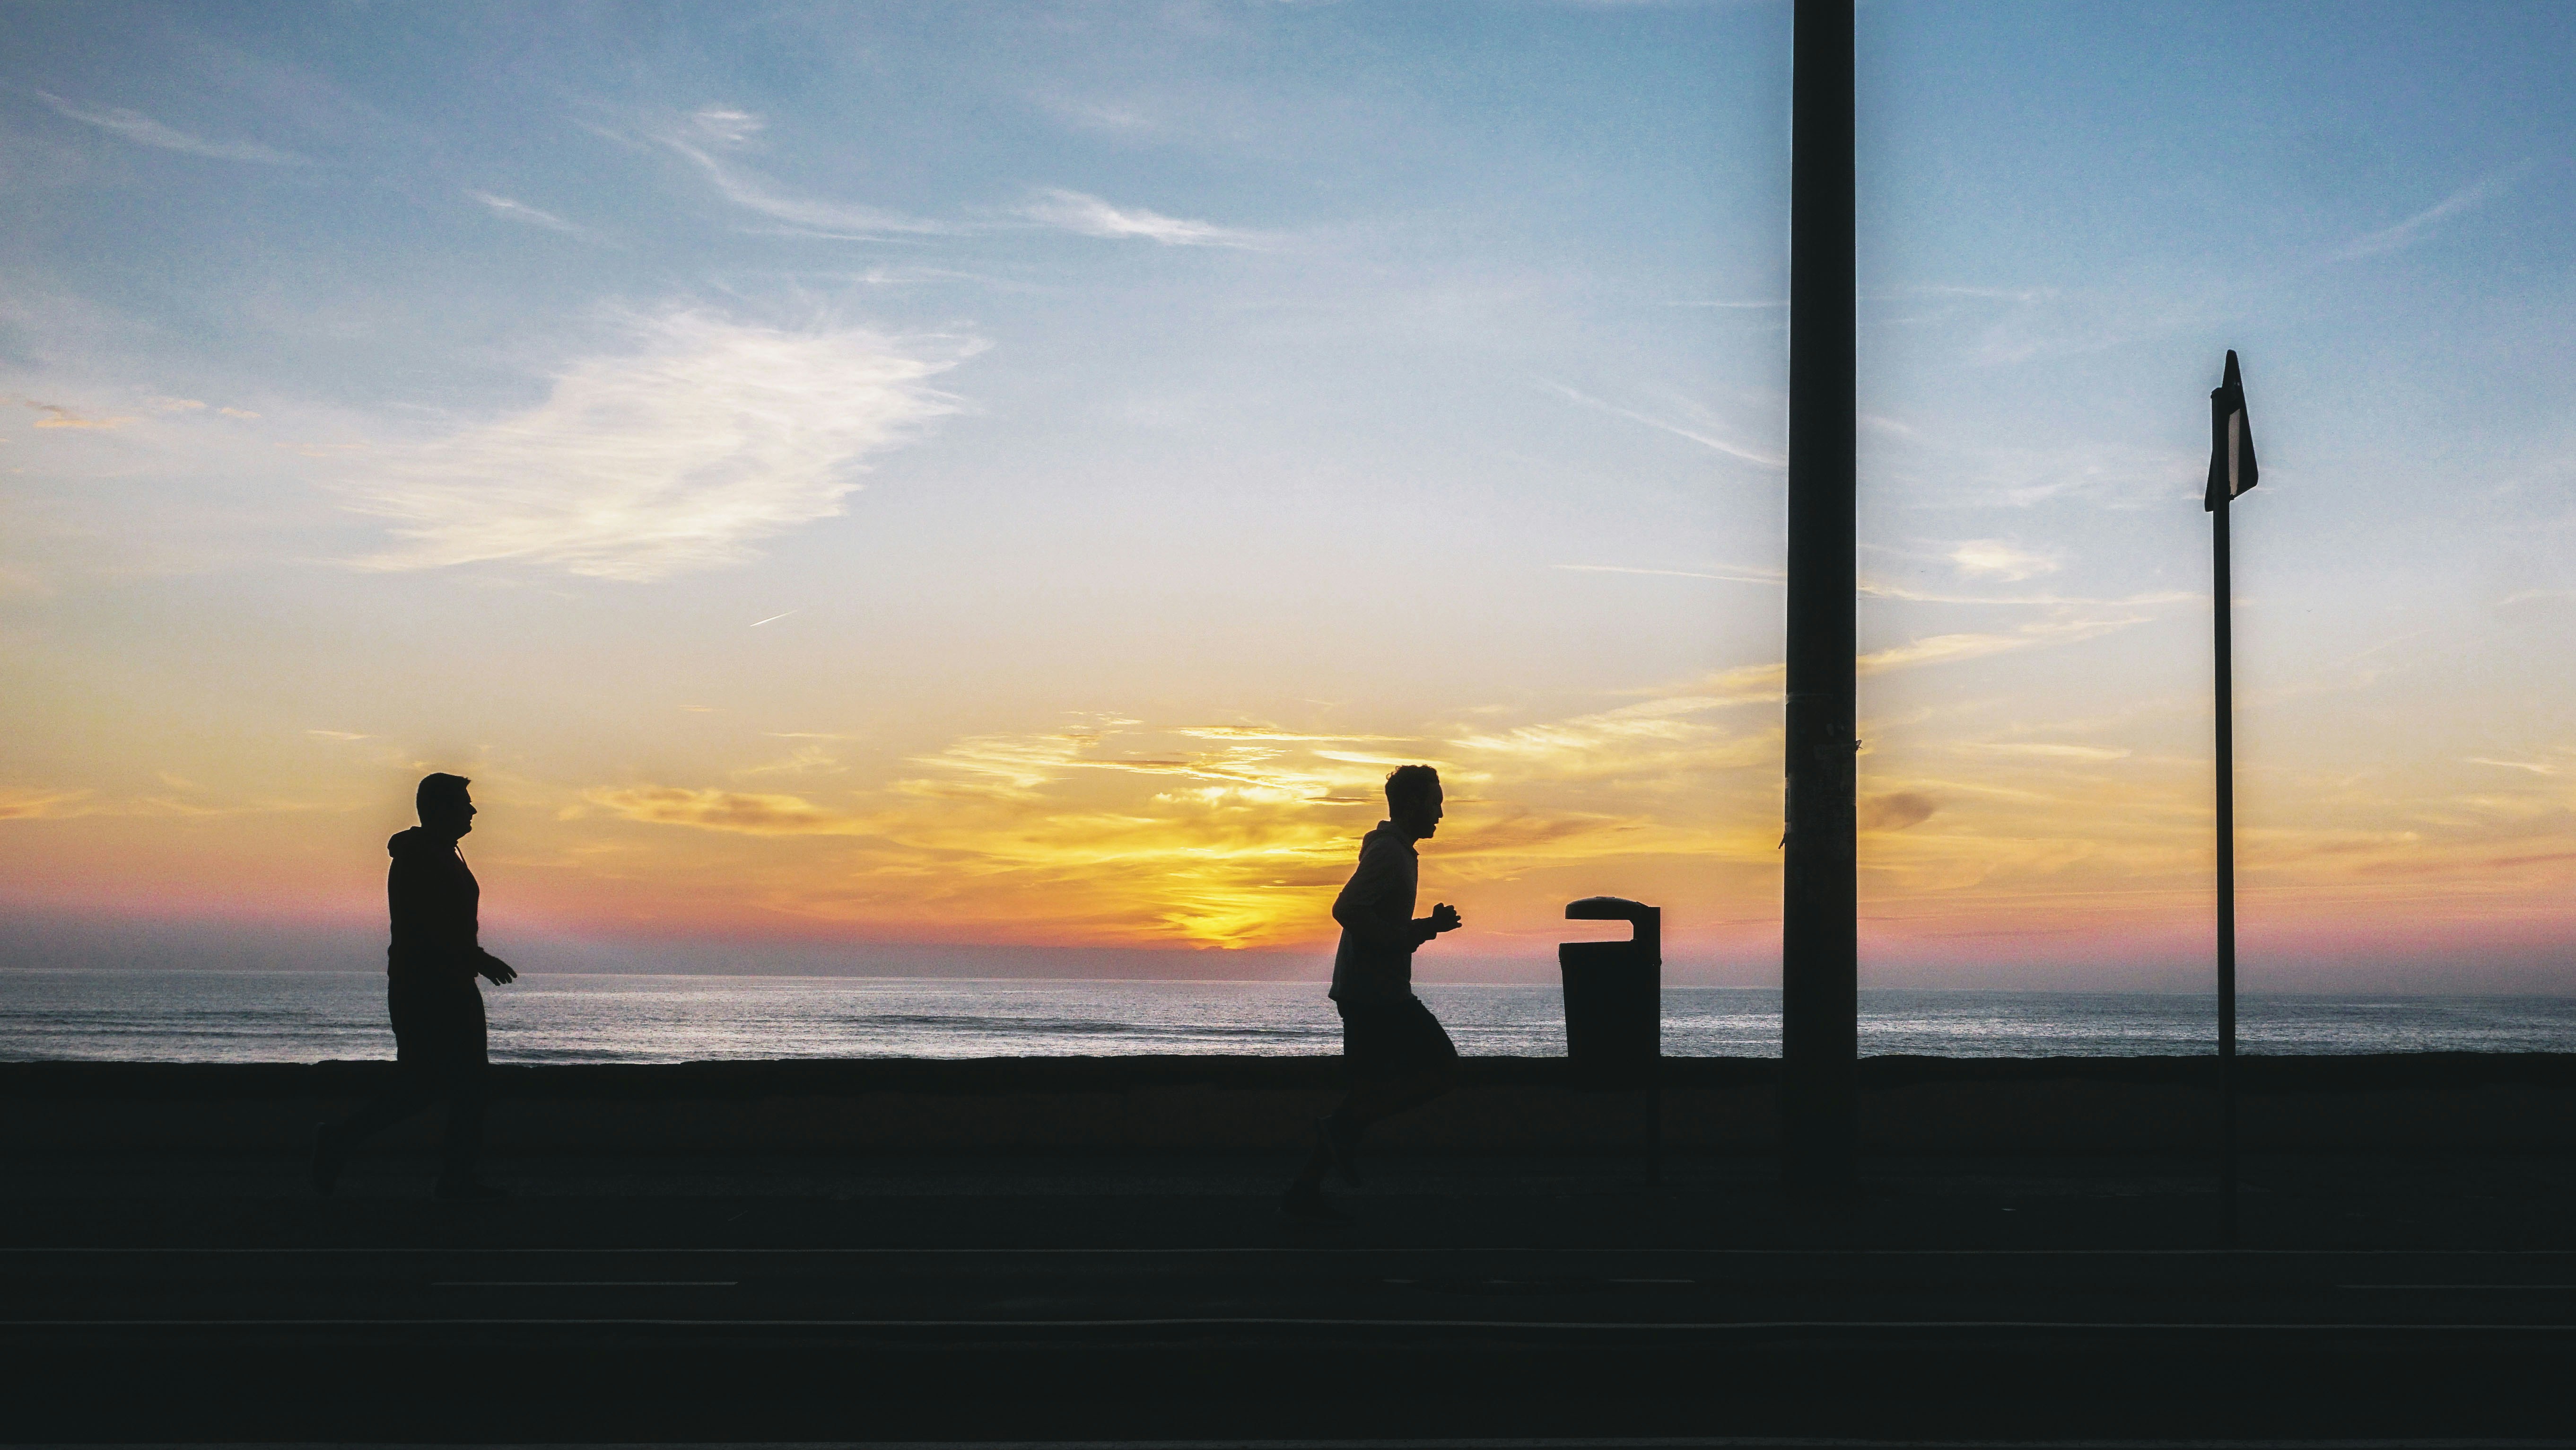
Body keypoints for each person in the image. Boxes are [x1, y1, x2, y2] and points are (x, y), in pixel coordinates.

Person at [312, 773, 517, 1199]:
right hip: (428, 988)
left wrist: (472, 960)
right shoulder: (419, 858)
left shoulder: (445, 853)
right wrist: (478, 958)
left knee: (449, 1086)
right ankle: (445, 1177)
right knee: (441, 1086)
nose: (473, 809)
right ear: (440, 809)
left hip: (451, 982)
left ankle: (448, 1175)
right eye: (465, 802)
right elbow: (426, 926)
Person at [1282, 764, 1464, 1220]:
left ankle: (1303, 1192)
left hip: (1368, 990)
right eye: (1434, 801)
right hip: (1376, 994)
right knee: (1443, 1069)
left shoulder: (1396, 851)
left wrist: (1426, 927)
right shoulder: (1389, 852)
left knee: (1364, 1094)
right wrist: (1401, 938)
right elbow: (1346, 908)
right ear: (1410, 804)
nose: (1440, 812)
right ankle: (1336, 1136)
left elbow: (1385, 922)